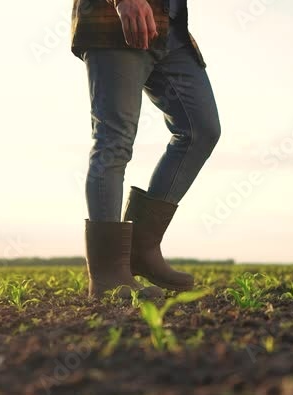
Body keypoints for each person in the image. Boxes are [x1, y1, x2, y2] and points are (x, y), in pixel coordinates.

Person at [70, 0, 221, 298]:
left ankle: (140, 248)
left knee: (200, 131)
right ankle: (107, 275)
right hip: (114, 20)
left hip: (171, 28)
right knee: (114, 141)